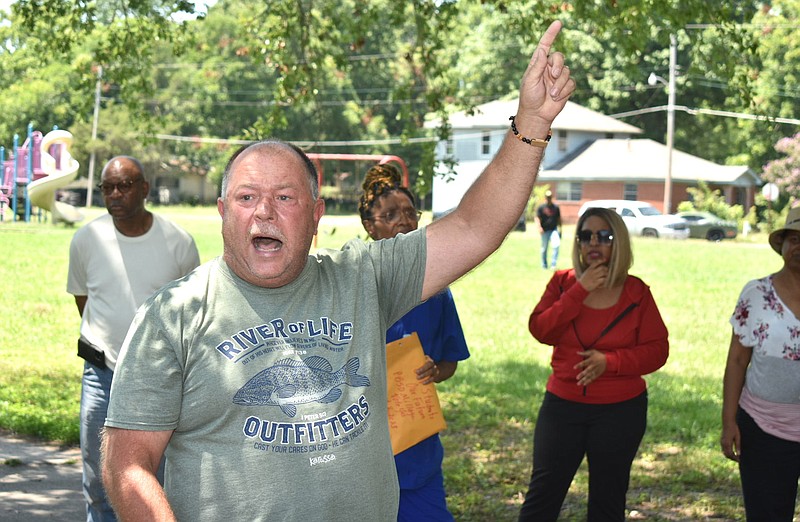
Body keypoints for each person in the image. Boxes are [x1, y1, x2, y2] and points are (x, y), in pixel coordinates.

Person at [101, 20, 575, 521]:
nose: (264, 212)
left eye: (285, 197)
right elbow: (128, 464)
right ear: (222, 212)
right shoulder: (172, 315)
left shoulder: (363, 277)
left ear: (316, 215)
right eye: (246, 197)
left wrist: (531, 122)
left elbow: (476, 227)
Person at [66, 156, 200, 521]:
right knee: (99, 479)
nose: (114, 194)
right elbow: (84, 300)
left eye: (124, 186)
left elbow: (192, 312)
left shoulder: (177, 242)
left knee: (154, 479)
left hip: (159, 377)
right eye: (107, 187)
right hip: (101, 374)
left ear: (144, 188)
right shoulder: (86, 240)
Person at [519, 207, 669, 521]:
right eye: (586, 236)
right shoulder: (562, 283)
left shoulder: (636, 292)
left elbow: (658, 351)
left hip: (620, 410)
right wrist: (579, 290)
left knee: (607, 500)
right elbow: (541, 330)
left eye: (604, 236)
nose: (594, 243)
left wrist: (611, 361)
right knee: (542, 497)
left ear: (619, 243)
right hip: (562, 405)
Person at [359, 164, 470, 521]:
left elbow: (450, 361)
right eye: (390, 215)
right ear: (370, 226)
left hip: (414, 448)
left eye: (410, 213)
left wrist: (435, 370)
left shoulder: (436, 291)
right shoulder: (353, 285)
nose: (403, 221)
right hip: (360, 449)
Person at [721, 206, 800, 521]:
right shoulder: (757, 293)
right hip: (763, 427)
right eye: (793, 239)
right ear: (782, 245)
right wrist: (729, 421)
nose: (798, 247)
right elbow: (737, 359)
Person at [536, 189, 561, 269]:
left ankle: (553, 264)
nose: (548, 198)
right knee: (544, 249)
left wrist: (560, 229)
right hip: (545, 231)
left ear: (551, 197)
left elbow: (559, 219)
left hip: (554, 230)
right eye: (547, 197)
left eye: (550, 197)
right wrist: (539, 227)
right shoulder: (541, 207)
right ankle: (544, 265)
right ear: (545, 198)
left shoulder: (556, 207)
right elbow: (537, 218)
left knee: (556, 245)